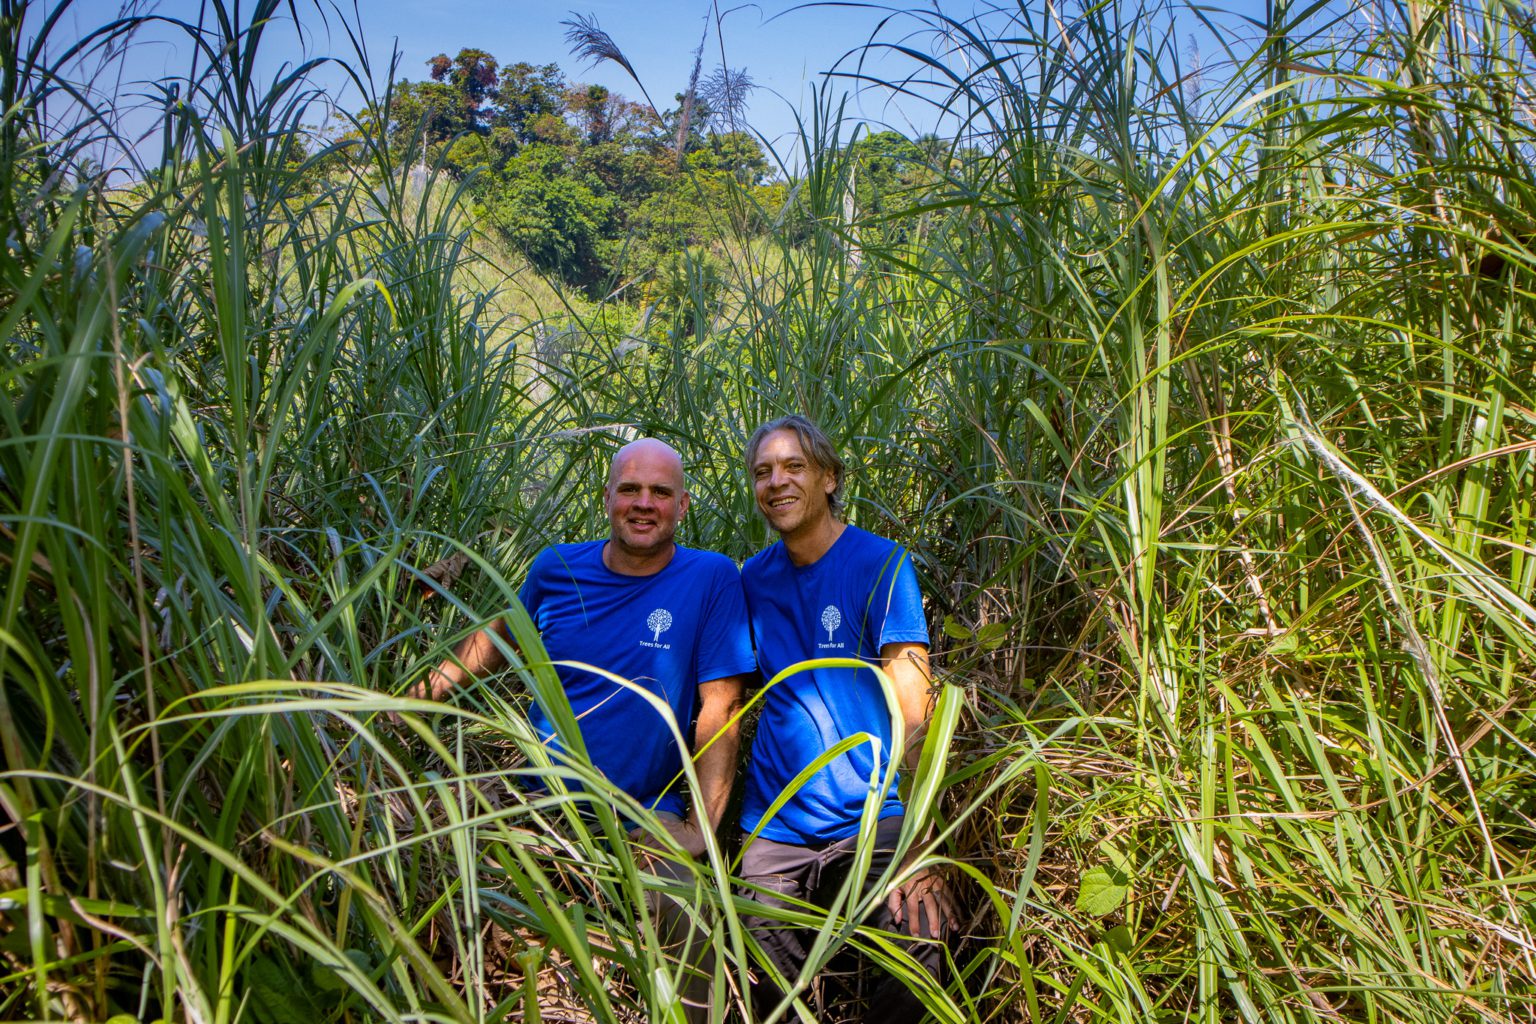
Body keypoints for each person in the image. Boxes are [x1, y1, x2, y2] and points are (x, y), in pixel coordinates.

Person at [410, 437, 754, 1018]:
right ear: (607, 499)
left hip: (647, 812)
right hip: (537, 803)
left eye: (660, 492)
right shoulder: (557, 568)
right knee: (449, 898)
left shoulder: (711, 578)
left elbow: (721, 706)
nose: (644, 503)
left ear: (683, 506)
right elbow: (499, 636)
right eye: (630, 489)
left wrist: (701, 830)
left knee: (689, 917)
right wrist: (416, 699)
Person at [737, 414, 958, 1022]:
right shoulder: (750, 581)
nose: (776, 482)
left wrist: (922, 844)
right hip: (775, 830)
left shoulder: (881, 564)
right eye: (762, 472)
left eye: (793, 467)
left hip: (873, 818)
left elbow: (914, 707)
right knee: (761, 982)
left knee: (921, 945)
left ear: (830, 478)